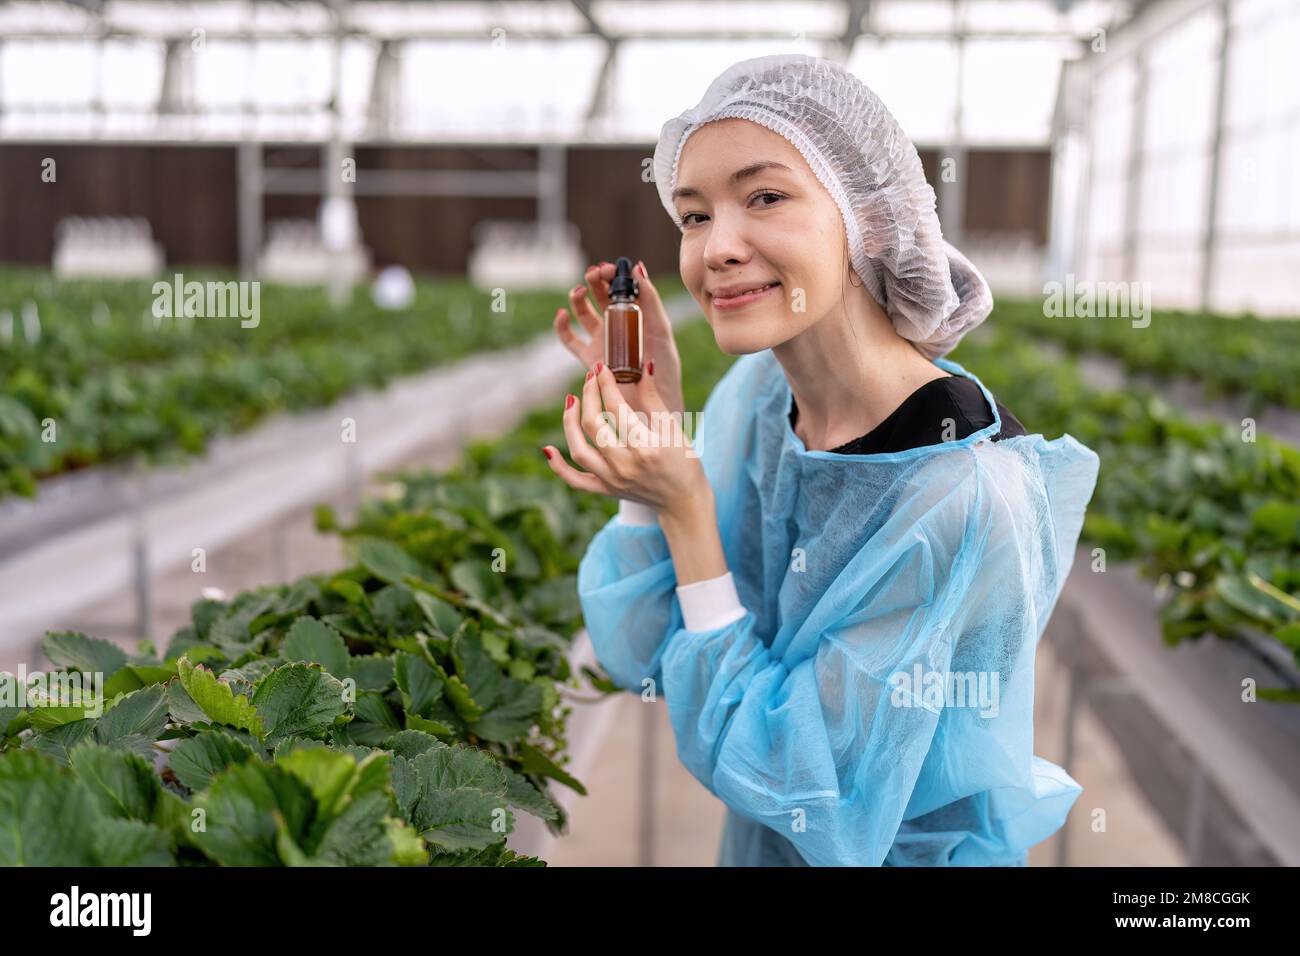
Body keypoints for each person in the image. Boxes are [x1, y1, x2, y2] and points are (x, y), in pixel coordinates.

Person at [542, 54, 1100, 866]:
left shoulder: (963, 494)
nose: (717, 247)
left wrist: (689, 509)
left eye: (764, 197)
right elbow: (643, 651)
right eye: (694, 216)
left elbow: (811, 792)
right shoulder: (754, 401)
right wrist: (651, 453)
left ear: (866, 220)